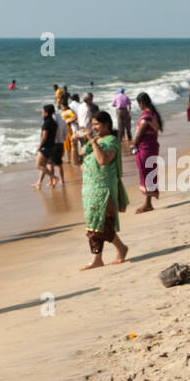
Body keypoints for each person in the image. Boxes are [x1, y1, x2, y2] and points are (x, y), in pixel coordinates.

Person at [77, 111, 129, 269]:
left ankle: (118, 249)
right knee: (93, 223)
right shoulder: (92, 142)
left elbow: (103, 160)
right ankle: (99, 258)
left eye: (97, 125)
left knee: (101, 222)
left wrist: (91, 140)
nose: (94, 128)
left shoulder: (111, 140)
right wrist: (74, 143)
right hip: (89, 187)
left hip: (104, 187)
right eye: (92, 125)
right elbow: (77, 161)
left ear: (107, 125)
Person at [133, 92, 162, 212]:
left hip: (145, 147)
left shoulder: (146, 116)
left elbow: (141, 129)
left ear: (141, 103)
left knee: (145, 172)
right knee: (150, 171)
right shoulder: (153, 114)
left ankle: (147, 203)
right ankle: (148, 202)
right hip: (152, 146)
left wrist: (133, 143)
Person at [34, 104, 60, 190]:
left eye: (43, 111)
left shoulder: (46, 123)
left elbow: (44, 136)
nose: (42, 112)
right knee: (43, 165)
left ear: (46, 113)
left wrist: (39, 146)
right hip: (52, 145)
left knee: (38, 165)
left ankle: (54, 177)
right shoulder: (54, 122)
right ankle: (39, 183)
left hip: (46, 147)